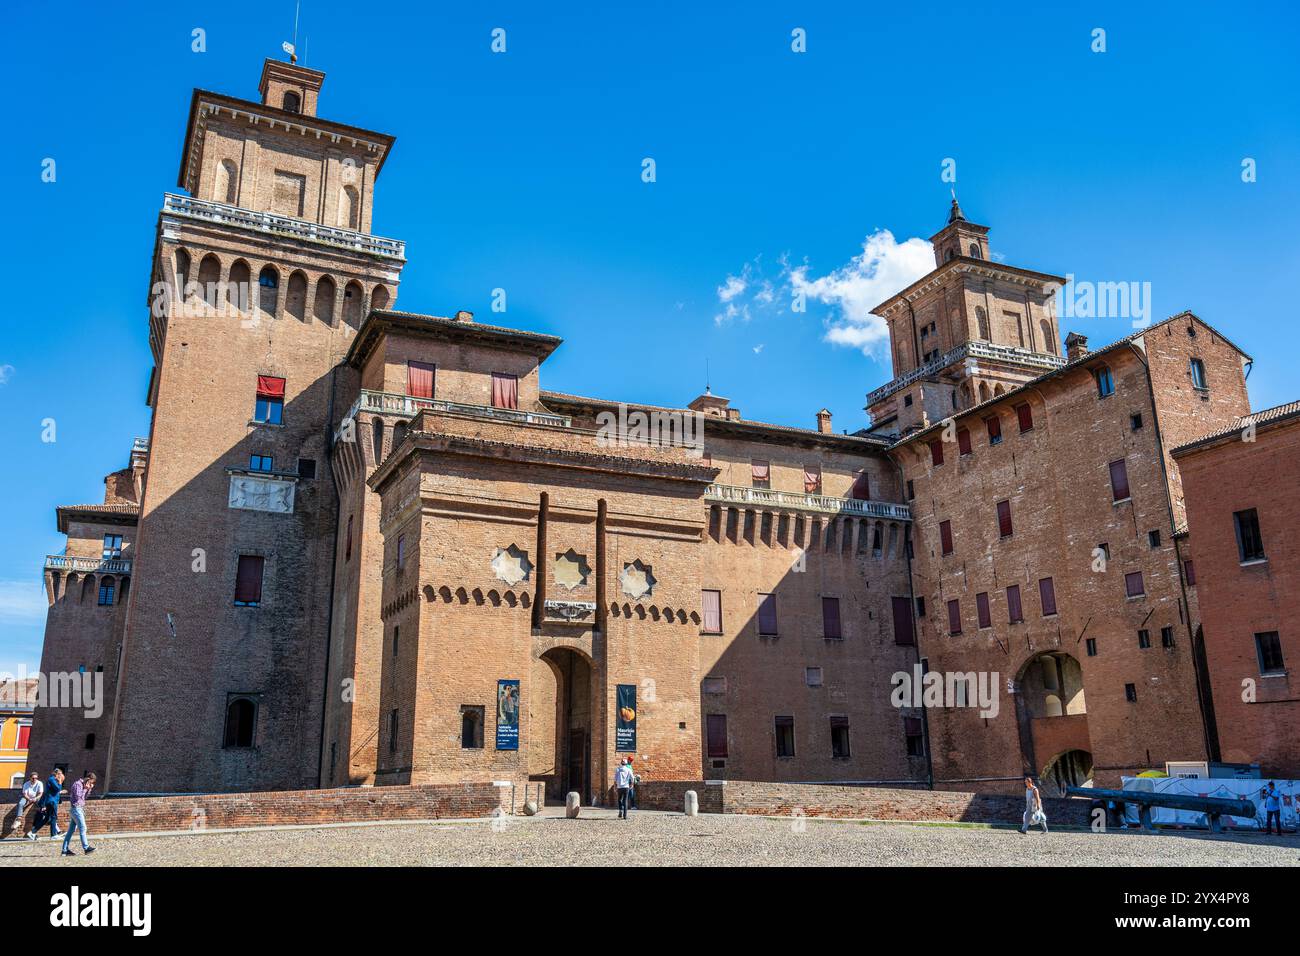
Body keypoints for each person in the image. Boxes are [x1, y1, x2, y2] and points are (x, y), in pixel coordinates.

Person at [61, 771, 96, 856]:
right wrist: (86, 788)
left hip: (79, 809)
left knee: (70, 831)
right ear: (88, 779)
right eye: (92, 781)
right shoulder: (78, 784)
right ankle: (86, 848)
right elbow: (77, 796)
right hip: (76, 809)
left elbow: (85, 797)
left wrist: (89, 789)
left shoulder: (84, 785)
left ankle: (64, 850)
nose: (92, 783)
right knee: (83, 828)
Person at [27, 768, 65, 841]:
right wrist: (60, 781)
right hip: (51, 801)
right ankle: (53, 835)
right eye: (60, 774)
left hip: (52, 801)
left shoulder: (53, 780)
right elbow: (57, 789)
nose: (60, 776)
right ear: (56, 774)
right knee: (53, 817)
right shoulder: (52, 779)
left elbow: (56, 790)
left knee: (47, 818)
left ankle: (33, 832)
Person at [12, 772, 43, 837]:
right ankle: (18, 819)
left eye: (36, 778)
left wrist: (35, 798)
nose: (35, 779)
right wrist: (29, 799)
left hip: (36, 797)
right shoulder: (26, 784)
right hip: (27, 797)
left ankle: (43, 817)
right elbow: (24, 794)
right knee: (20, 803)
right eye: (33, 778)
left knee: (41, 805)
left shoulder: (39, 783)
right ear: (30, 778)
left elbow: (40, 793)